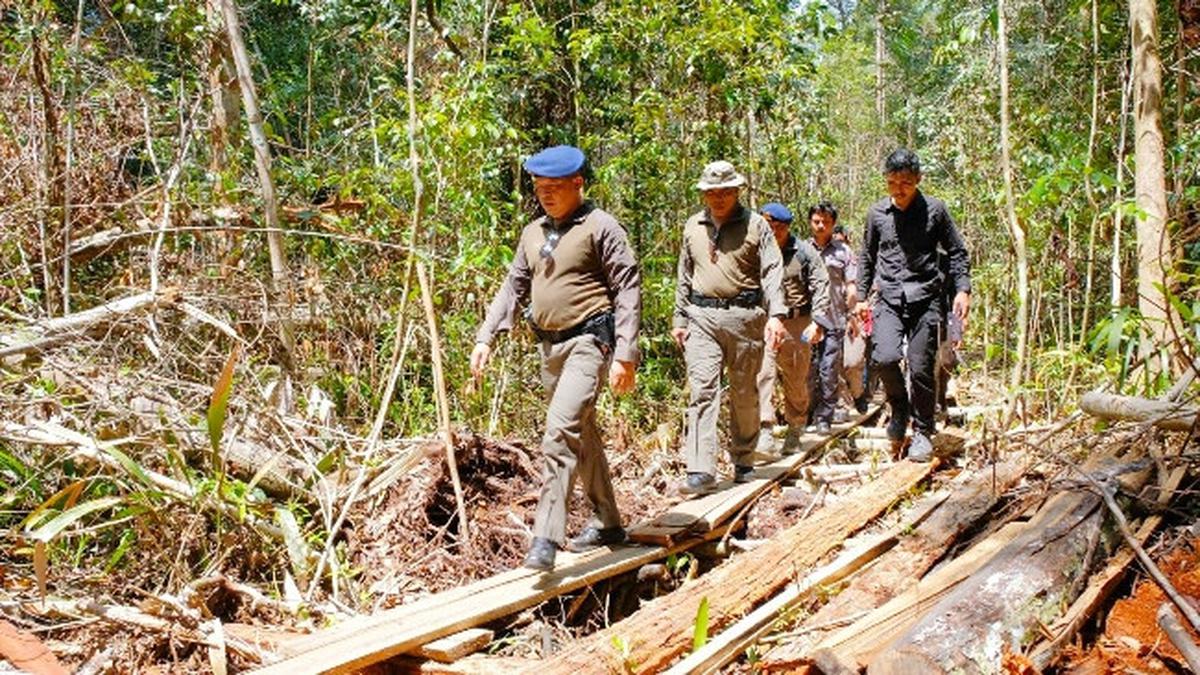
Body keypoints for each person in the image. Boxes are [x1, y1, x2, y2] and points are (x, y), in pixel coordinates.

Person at [471, 145, 641, 571]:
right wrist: (486, 336)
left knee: (559, 431)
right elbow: (513, 288)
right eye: (539, 188)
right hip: (550, 347)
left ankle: (546, 537)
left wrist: (625, 352)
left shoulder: (601, 227)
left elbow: (627, 289)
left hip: (590, 341)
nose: (545, 195)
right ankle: (607, 522)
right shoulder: (533, 233)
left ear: (578, 183)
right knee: (581, 431)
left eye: (554, 187)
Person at [672, 160, 788, 496]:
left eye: (725, 191)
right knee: (703, 390)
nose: (718, 197)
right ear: (704, 193)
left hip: (744, 317)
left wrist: (777, 315)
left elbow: (772, 271)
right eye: (711, 192)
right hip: (701, 317)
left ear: (737, 190)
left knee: (743, 390)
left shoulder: (756, 226)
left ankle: (743, 458)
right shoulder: (693, 225)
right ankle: (701, 470)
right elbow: (684, 274)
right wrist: (679, 318)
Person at [854, 148, 971, 461]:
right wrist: (861, 296)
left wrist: (962, 289)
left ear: (918, 180)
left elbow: (957, 251)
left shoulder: (935, 210)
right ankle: (899, 408)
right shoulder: (877, 214)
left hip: (926, 298)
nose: (898, 189)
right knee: (884, 356)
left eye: (905, 182)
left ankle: (922, 430)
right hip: (889, 297)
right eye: (892, 182)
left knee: (920, 367)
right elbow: (866, 255)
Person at [754, 203, 829, 454]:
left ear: (786, 227)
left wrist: (818, 321)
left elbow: (821, 285)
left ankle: (795, 428)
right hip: (765, 321)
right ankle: (765, 429)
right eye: (768, 226)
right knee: (762, 373)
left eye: (777, 227)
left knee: (796, 380)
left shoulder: (804, 252)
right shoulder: (755, 250)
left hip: (797, 322)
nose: (772, 231)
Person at [807, 202, 857, 433]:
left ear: (833, 224)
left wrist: (852, 314)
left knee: (828, 369)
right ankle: (806, 413)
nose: (820, 226)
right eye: (817, 221)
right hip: (806, 321)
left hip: (835, 319)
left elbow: (851, 286)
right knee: (808, 369)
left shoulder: (843, 252)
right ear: (810, 222)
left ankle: (824, 417)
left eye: (826, 222)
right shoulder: (801, 250)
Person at [834, 224, 870, 414]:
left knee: (852, 362)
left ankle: (858, 393)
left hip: (855, 318)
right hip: (829, 317)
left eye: (841, 240)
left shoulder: (856, 262)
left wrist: (856, 315)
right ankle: (843, 404)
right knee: (834, 364)